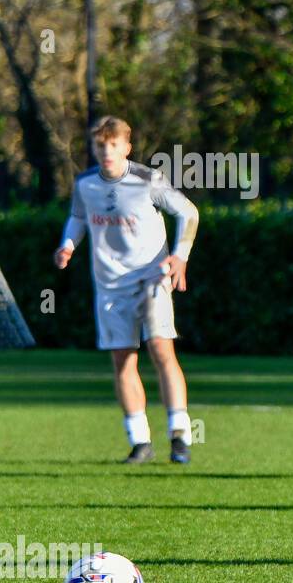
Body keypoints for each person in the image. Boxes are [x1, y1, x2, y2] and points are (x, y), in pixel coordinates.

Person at [53, 116, 199, 464]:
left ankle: (180, 435)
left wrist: (180, 255)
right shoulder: (85, 184)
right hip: (109, 284)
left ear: (126, 148)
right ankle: (140, 441)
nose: (106, 151)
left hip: (151, 277)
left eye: (113, 145)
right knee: (122, 358)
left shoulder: (147, 180)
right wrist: (68, 245)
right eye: (100, 145)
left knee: (161, 349)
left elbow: (188, 212)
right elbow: (78, 217)